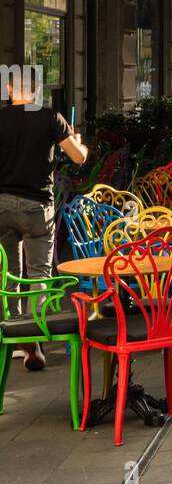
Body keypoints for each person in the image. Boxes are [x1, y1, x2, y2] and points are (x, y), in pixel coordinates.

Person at [0, 73, 88, 371]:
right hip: (38, 204)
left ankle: (15, 335)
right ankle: (34, 336)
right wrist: (77, 142)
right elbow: (77, 158)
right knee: (38, 272)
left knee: (9, 273)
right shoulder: (51, 117)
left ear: (10, 89)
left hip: (1, 204)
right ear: (37, 90)